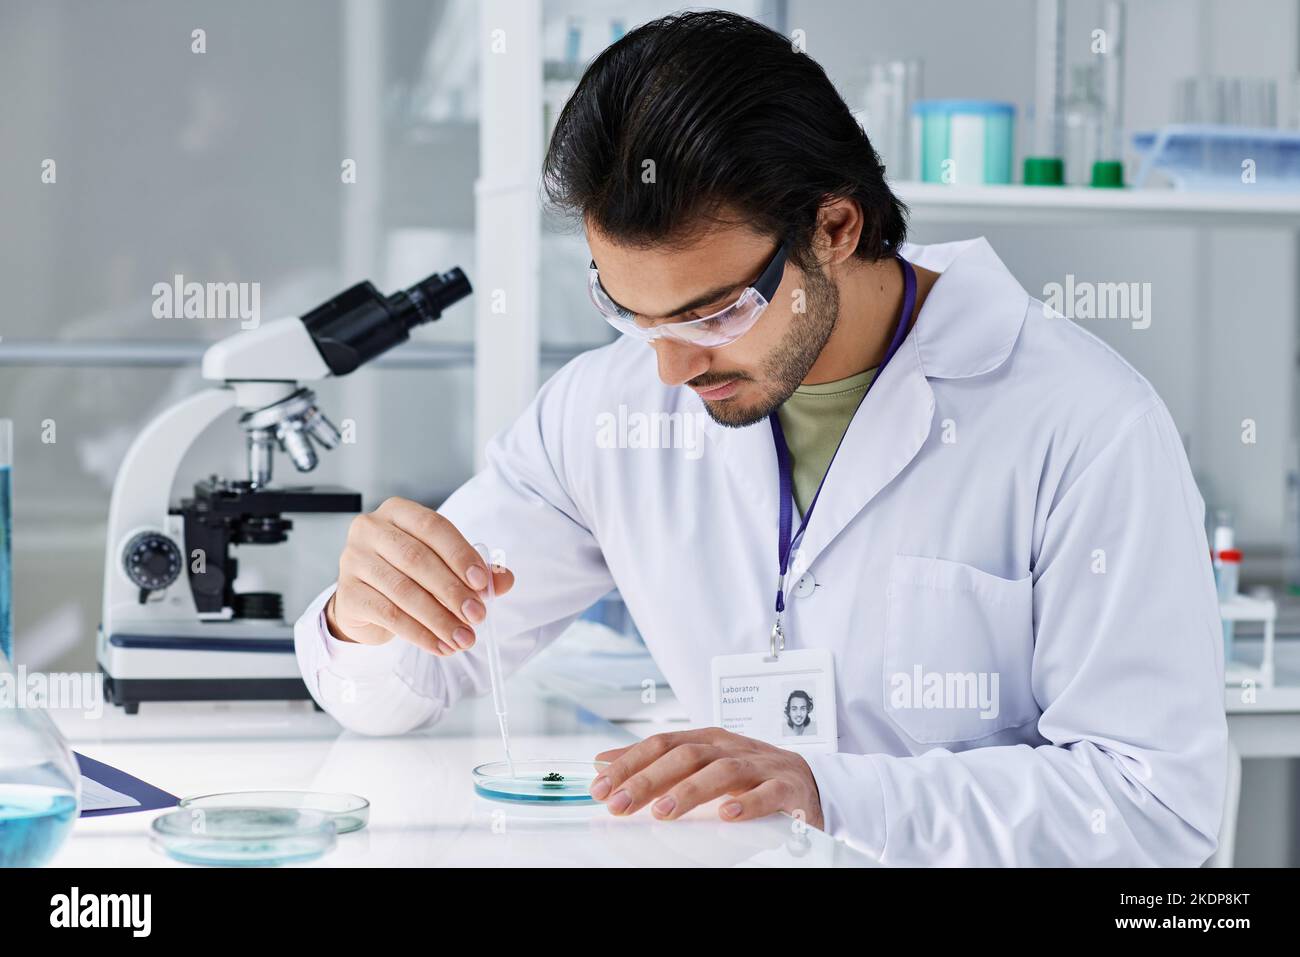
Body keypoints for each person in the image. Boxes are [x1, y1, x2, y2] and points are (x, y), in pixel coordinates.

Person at [294, 11, 1227, 866]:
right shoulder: (601, 413)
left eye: (712, 312)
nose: (668, 370)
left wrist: (834, 789)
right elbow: (395, 692)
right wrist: (365, 616)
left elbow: (1155, 808)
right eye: (627, 312)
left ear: (834, 225)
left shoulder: (1084, 422)